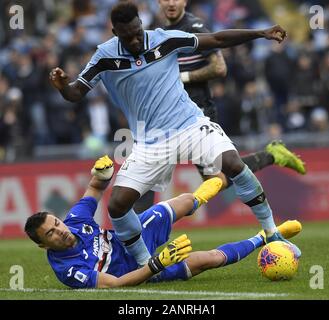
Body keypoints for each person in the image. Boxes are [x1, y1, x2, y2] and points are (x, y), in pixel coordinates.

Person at [49, 1, 300, 267]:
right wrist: (64, 86)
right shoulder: (104, 56)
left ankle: (273, 233)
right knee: (118, 206)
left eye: (138, 32)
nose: (135, 40)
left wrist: (261, 33)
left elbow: (216, 38)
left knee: (233, 164)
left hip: (190, 125)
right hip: (149, 142)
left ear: (141, 24)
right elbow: (76, 92)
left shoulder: (164, 40)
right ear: (115, 32)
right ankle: (147, 265)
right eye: (127, 36)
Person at [24, 155, 302, 289]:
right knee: (207, 259)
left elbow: (95, 188)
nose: (59, 231)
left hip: (129, 236)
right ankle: (265, 237)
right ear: (42, 245)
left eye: (56, 224)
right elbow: (115, 285)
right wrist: (157, 264)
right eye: (50, 233)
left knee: (182, 201)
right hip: (138, 267)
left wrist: (102, 172)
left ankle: (210, 190)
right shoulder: (67, 269)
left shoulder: (74, 220)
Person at [133, 0, 306, 213]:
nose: (171, 3)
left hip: (197, 112)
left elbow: (219, 67)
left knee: (219, 180)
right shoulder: (157, 31)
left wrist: (180, 77)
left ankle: (272, 155)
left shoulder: (194, 27)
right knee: (150, 167)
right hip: (169, 113)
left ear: (185, 1)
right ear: (158, 2)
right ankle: (138, 236)